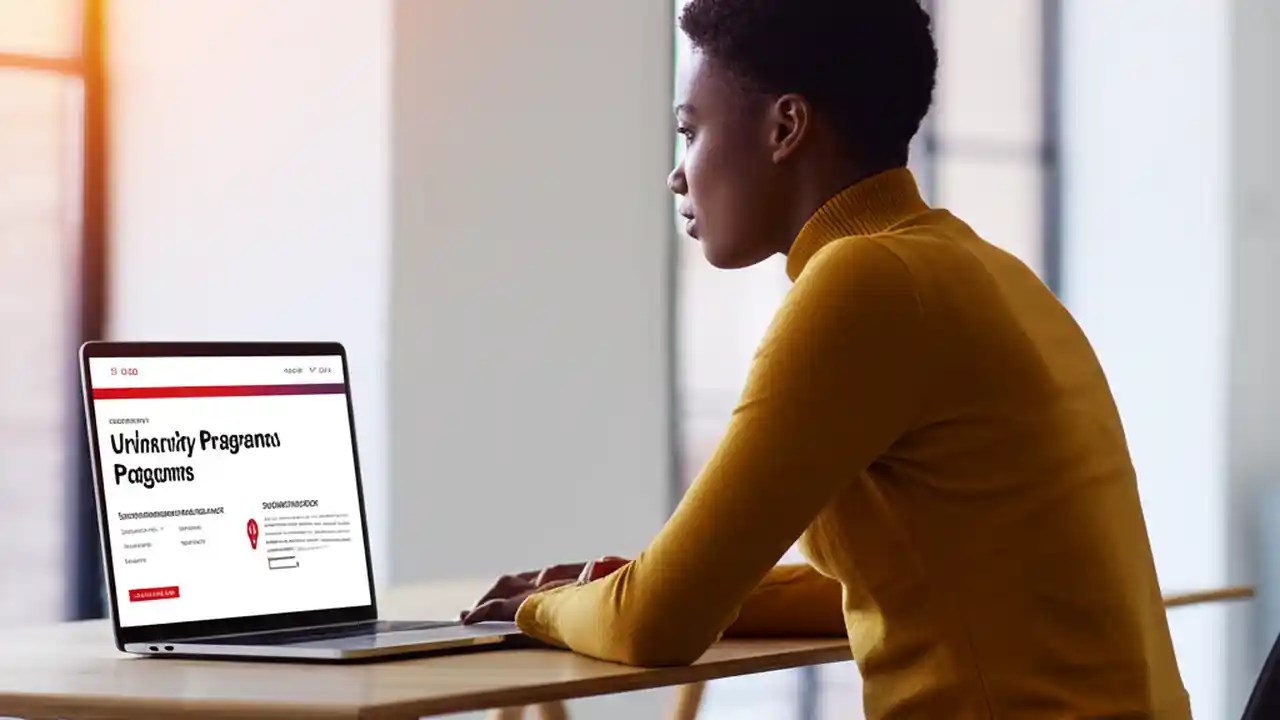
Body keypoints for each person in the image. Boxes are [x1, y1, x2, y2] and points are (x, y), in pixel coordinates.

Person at [464, 0, 1189, 717]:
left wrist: (546, 609)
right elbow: (899, 578)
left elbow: (655, 626)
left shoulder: (864, 284)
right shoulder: (984, 269)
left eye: (690, 131)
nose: (677, 175)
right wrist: (629, 587)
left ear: (785, 127)